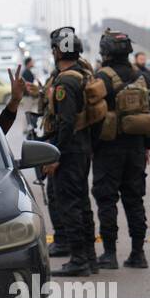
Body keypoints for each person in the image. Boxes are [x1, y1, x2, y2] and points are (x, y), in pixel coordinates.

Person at [91, 31, 150, 270]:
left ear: (105, 52)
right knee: (134, 200)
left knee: (106, 199)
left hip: (107, 150)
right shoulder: (144, 77)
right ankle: (138, 253)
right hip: (135, 150)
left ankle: (109, 254)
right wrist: (146, 145)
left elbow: (92, 116)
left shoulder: (101, 77)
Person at [41, 27, 98, 277]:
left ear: (57, 51)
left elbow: (65, 123)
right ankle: (89, 257)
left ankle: (78, 260)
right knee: (82, 204)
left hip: (69, 151)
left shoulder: (65, 82)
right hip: (82, 148)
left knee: (70, 205)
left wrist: (55, 156)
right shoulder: (84, 75)